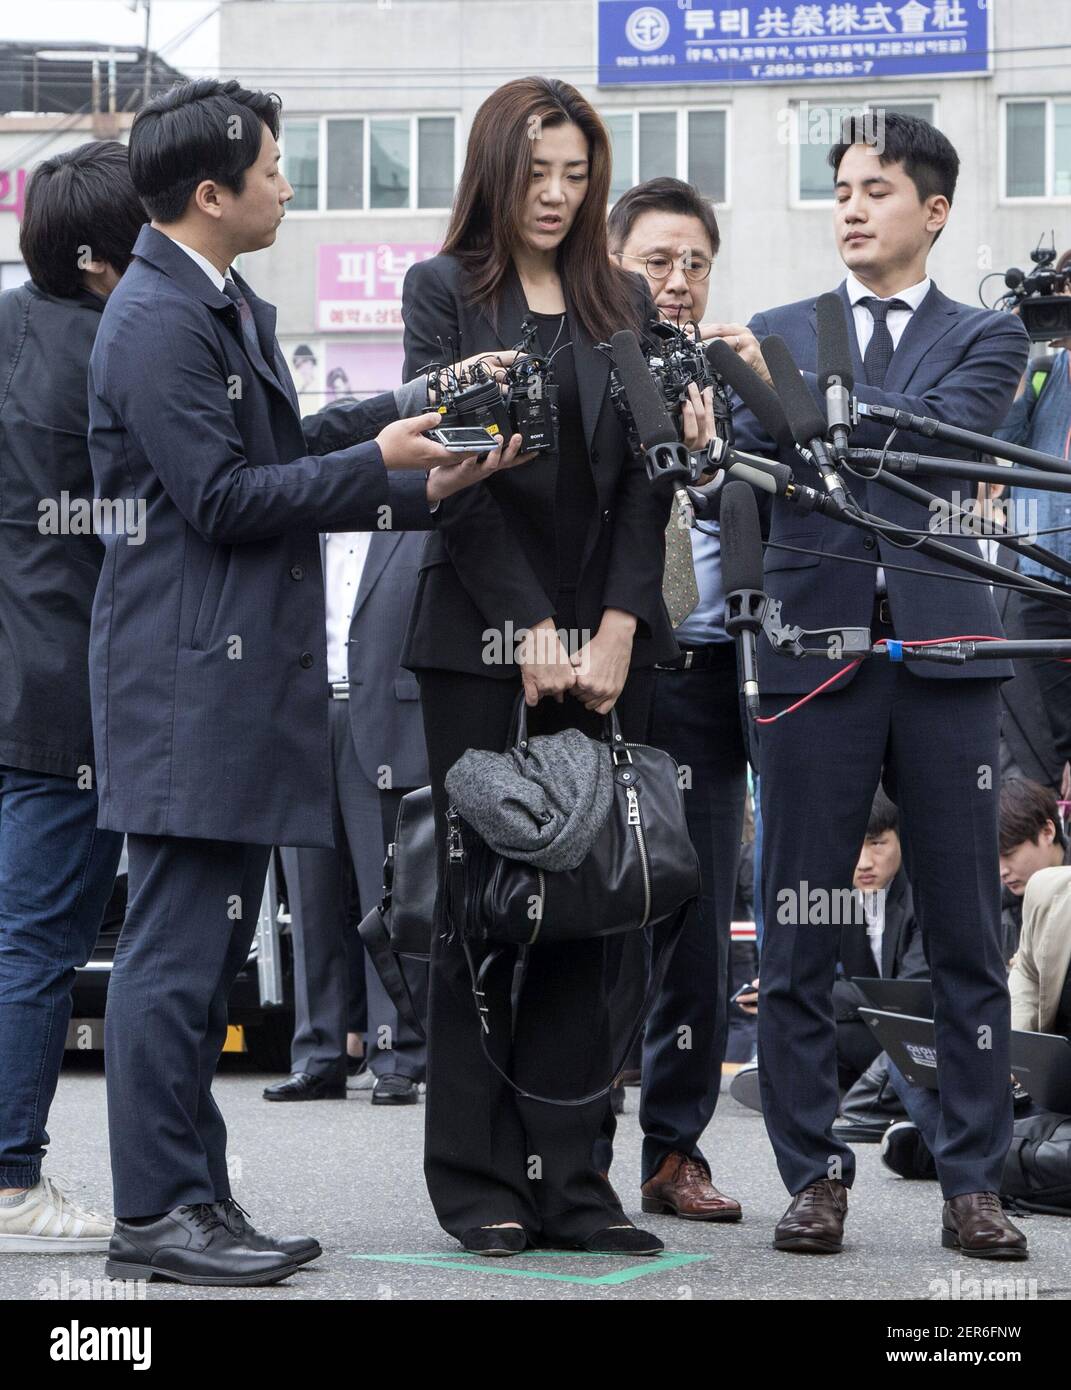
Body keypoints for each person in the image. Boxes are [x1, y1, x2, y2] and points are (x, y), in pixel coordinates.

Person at [91, 78, 528, 1288]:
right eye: (275, 166)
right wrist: (389, 471)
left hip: (217, 681)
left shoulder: (209, 303)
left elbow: (279, 454)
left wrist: (413, 412)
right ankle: (157, 1213)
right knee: (176, 959)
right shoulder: (156, 322)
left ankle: (194, 1195)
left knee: (202, 951)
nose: (291, 183)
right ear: (212, 193)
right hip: (187, 685)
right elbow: (225, 499)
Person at [736, 112, 1030, 1258]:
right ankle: (812, 1173)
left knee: (962, 932)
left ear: (937, 212)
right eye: (843, 189)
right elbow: (761, 485)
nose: (853, 208)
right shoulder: (777, 331)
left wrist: (807, 412)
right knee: (804, 928)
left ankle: (973, 1181)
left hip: (949, 661)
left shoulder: (987, 335)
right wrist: (765, 426)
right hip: (812, 657)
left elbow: (944, 442)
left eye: (880, 190)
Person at [401, 76, 678, 1258]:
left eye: (577, 173)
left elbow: (648, 477)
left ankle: (575, 1180)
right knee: (485, 910)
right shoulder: (441, 294)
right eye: (538, 172)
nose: (559, 196)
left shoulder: (621, 302)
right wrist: (532, 633)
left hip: (607, 649)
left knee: (591, 911)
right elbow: (450, 484)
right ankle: (479, 1182)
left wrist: (618, 623)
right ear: (495, 172)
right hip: (478, 645)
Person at [0, 141, 144, 1253]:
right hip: (67, 695)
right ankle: (10, 1180)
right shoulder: (118, 348)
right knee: (40, 943)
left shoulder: (7, 325)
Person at [594, 176, 745, 1221]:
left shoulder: (737, 380)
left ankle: (675, 1150)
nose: (680, 281)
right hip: (606, 678)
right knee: (593, 918)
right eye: (658, 260)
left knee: (695, 926)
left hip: (704, 679)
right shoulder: (587, 366)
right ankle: (563, 1146)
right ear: (613, 263)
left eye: (695, 261)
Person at [268, 528, 431, 1106]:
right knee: (309, 901)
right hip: (302, 724)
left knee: (387, 898)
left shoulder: (413, 517)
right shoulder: (299, 524)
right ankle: (319, 1053)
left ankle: (400, 1056)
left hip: (386, 720)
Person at [995, 251, 1071, 776]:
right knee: (1053, 740)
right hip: (1043, 580)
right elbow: (1002, 440)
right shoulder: (1047, 366)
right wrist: (1015, 349)